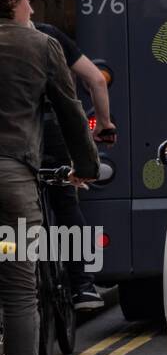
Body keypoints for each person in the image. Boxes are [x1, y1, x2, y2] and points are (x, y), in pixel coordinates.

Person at [0, 0, 99, 355]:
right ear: (12, 1)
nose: (33, 5)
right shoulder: (41, 45)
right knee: (20, 295)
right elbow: (72, 113)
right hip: (14, 184)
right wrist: (86, 168)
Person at [34, 20, 112, 311]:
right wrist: (104, 123)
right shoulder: (46, 35)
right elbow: (97, 80)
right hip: (53, 132)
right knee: (65, 201)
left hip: (12, 135)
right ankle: (82, 285)